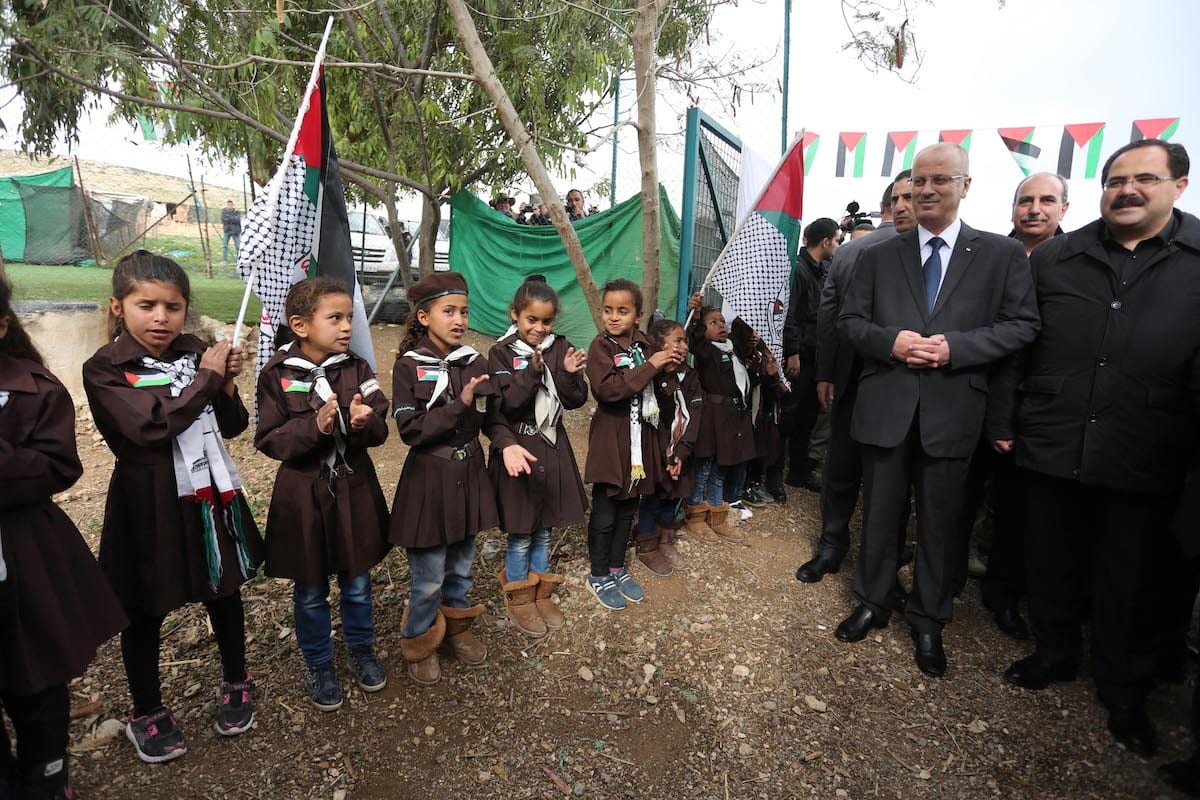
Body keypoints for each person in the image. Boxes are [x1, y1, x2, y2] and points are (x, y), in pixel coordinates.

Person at [991, 139, 1200, 757]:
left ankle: (1123, 687)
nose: (1128, 190)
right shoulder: (1057, 257)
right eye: (1116, 180)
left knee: (1128, 576)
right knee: (1051, 558)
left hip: (1146, 449)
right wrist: (1004, 418)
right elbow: (1018, 345)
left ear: (1178, 185)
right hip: (1053, 438)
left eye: (1145, 178)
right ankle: (1053, 653)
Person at [835, 142, 1039, 678]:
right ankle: (873, 600)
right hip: (886, 407)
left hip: (953, 411)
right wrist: (891, 343)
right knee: (879, 515)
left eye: (941, 180)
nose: (928, 190)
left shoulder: (999, 255)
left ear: (965, 186)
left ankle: (928, 618)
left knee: (942, 523)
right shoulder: (877, 255)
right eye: (920, 181)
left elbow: (1022, 326)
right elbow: (850, 323)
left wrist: (956, 349)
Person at [83, 250, 264, 763]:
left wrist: (224, 383)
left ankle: (236, 678)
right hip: (149, 501)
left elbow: (230, 426)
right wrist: (207, 378)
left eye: (174, 306)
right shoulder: (105, 369)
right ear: (119, 307)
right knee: (146, 604)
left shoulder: (195, 354)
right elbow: (149, 428)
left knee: (222, 587)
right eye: (147, 305)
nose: (161, 317)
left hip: (208, 496)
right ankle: (147, 709)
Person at [0, 277, 126, 800]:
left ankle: (47, 778)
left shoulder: (33, 389)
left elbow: (57, 466)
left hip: (21, 557)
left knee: (34, 676)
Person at [389, 272, 534, 685]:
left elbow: (493, 416)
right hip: (429, 478)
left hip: (468, 473)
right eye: (448, 311)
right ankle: (418, 639)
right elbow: (411, 430)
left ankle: (457, 627)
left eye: (464, 311)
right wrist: (460, 405)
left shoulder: (476, 362)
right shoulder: (409, 367)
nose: (459, 319)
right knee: (429, 572)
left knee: (462, 564)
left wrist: (505, 443)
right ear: (423, 316)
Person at [255, 277, 391, 712]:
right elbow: (271, 438)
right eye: (335, 318)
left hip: (351, 486)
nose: (347, 326)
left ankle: (361, 649)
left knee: (356, 580)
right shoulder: (277, 375)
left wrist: (362, 422)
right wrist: (315, 427)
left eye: (349, 317)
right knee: (311, 588)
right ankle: (318, 662)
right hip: (304, 493)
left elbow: (381, 427)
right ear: (299, 325)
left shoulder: (357, 369)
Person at [956, 172, 1072, 639]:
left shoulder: (1076, 261)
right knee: (957, 497)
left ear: (1064, 208)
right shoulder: (985, 255)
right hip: (971, 397)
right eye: (1026, 200)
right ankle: (944, 581)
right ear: (1012, 209)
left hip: (1035, 411)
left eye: (1047, 200)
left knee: (1016, 508)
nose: (1035, 209)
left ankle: (1003, 594)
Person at [798, 172, 914, 585]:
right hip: (850, 377)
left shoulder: (946, 259)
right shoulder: (853, 254)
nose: (905, 204)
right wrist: (827, 372)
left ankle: (877, 564)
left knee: (887, 480)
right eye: (899, 196)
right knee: (842, 467)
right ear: (889, 204)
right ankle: (833, 546)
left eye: (913, 195)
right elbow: (830, 317)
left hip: (904, 387)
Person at [487, 276, 588, 638]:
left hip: (552, 444)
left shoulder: (560, 347)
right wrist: (532, 371)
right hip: (519, 445)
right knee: (520, 529)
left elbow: (576, 400)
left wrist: (572, 376)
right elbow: (507, 404)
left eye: (546, 321)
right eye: (531, 320)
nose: (538, 328)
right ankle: (519, 595)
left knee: (543, 527)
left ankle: (541, 588)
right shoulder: (500, 352)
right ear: (515, 315)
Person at [583, 279, 676, 610]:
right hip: (613, 440)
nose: (614, 317)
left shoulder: (647, 345)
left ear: (638, 315)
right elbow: (609, 391)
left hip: (643, 440)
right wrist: (651, 366)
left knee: (627, 510)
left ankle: (616, 566)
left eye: (623, 311)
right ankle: (597, 573)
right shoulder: (601, 347)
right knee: (606, 510)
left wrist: (668, 372)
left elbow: (663, 395)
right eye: (608, 310)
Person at [635, 316, 704, 574]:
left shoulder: (691, 375)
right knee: (652, 495)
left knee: (675, 494)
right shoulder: (651, 374)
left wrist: (682, 453)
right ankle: (647, 544)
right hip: (656, 448)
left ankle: (666, 540)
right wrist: (667, 375)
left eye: (685, 341)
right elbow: (657, 416)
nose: (684, 346)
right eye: (678, 340)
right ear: (660, 345)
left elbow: (695, 414)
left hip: (682, 448)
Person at [685, 300, 757, 545]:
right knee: (704, 467)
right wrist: (695, 315)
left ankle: (717, 516)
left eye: (721, 321)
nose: (720, 326)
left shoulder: (732, 349)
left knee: (720, 468)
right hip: (712, 417)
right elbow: (694, 342)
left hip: (732, 418)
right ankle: (695, 515)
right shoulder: (707, 352)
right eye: (712, 322)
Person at [778, 218, 841, 495]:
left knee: (807, 416)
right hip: (800, 355)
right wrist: (792, 351)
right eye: (837, 240)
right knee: (788, 414)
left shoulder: (824, 271)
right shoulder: (799, 271)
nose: (838, 245)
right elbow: (790, 314)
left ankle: (798, 473)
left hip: (816, 354)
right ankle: (774, 472)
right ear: (826, 241)